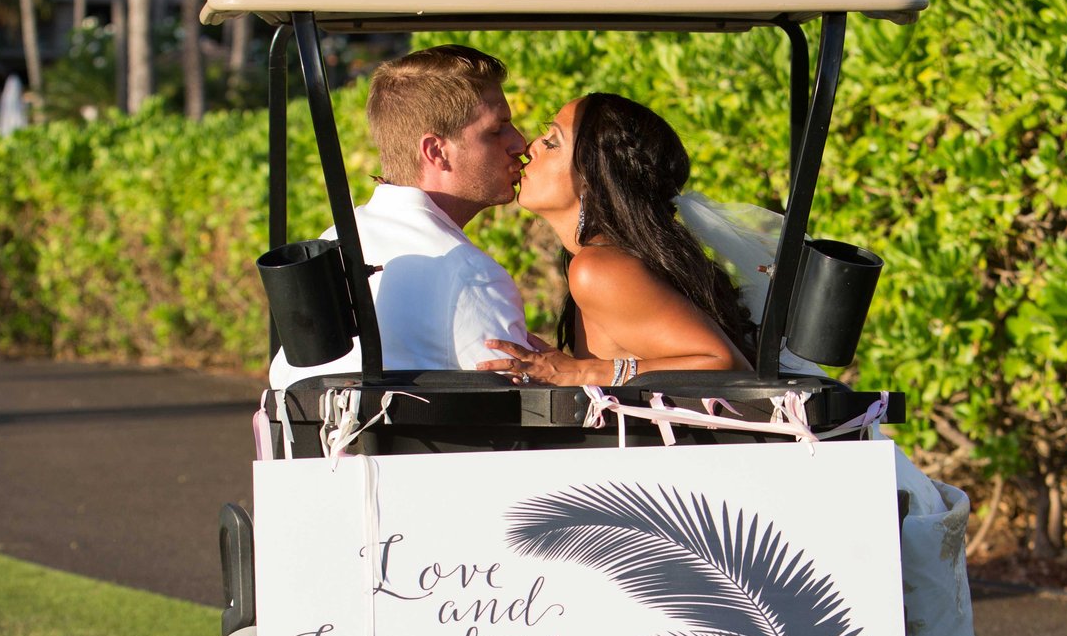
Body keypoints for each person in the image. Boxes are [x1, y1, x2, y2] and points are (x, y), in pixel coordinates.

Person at [269, 44, 529, 385]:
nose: (520, 143)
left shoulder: (334, 241)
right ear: (436, 151)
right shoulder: (471, 275)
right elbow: (523, 417)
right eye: (496, 131)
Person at [476, 93, 755, 387]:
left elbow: (727, 365)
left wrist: (584, 372)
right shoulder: (602, 259)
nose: (530, 148)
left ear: (591, 178)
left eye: (552, 143)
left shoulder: (598, 269)